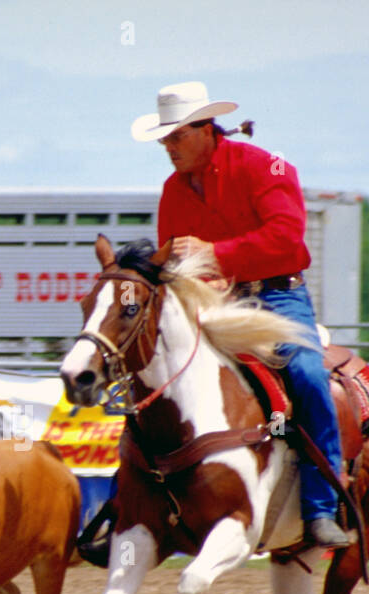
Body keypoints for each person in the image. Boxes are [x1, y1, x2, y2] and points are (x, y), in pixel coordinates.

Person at [131, 81, 351, 548]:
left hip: (277, 296)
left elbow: (286, 239)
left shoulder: (266, 168)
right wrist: (192, 277)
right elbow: (173, 257)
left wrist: (215, 255)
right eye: (165, 140)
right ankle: (129, 504)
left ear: (206, 129)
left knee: (308, 375)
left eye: (177, 137)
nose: (169, 148)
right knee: (154, 372)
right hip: (214, 302)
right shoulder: (173, 190)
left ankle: (321, 507)